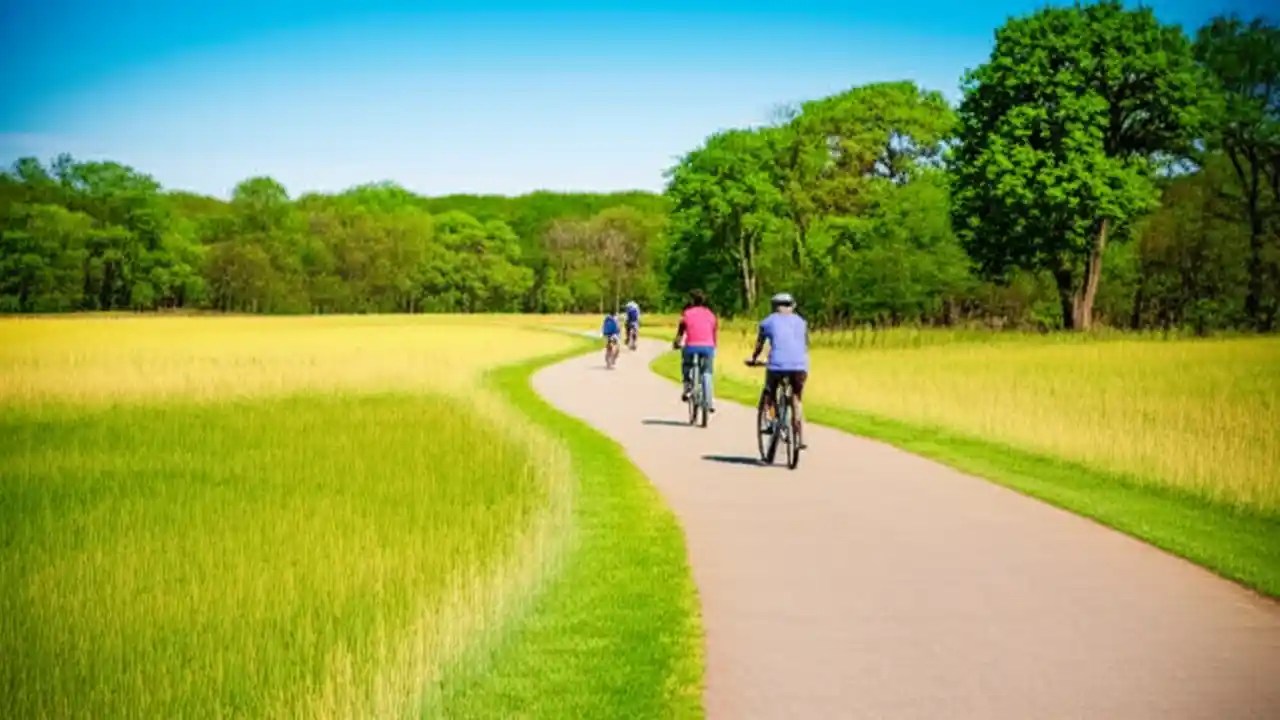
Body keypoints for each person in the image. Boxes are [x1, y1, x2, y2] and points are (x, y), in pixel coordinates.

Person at [748, 292, 809, 448]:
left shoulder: (768, 322)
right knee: (796, 397)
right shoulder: (801, 322)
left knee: (769, 390)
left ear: (774, 306)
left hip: (777, 365)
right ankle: (799, 436)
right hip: (799, 366)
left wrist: (754, 359)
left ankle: (770, 419)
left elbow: (760, 345)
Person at [671, 289, 718, 411]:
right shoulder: (711, 315)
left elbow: (680, 333)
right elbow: (714, 333)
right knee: (707, 372)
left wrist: (676, 343)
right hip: (708, 347)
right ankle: (709, 400)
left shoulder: (687, 314)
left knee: (686, 363)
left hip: (691, 346)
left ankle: (687, 386)